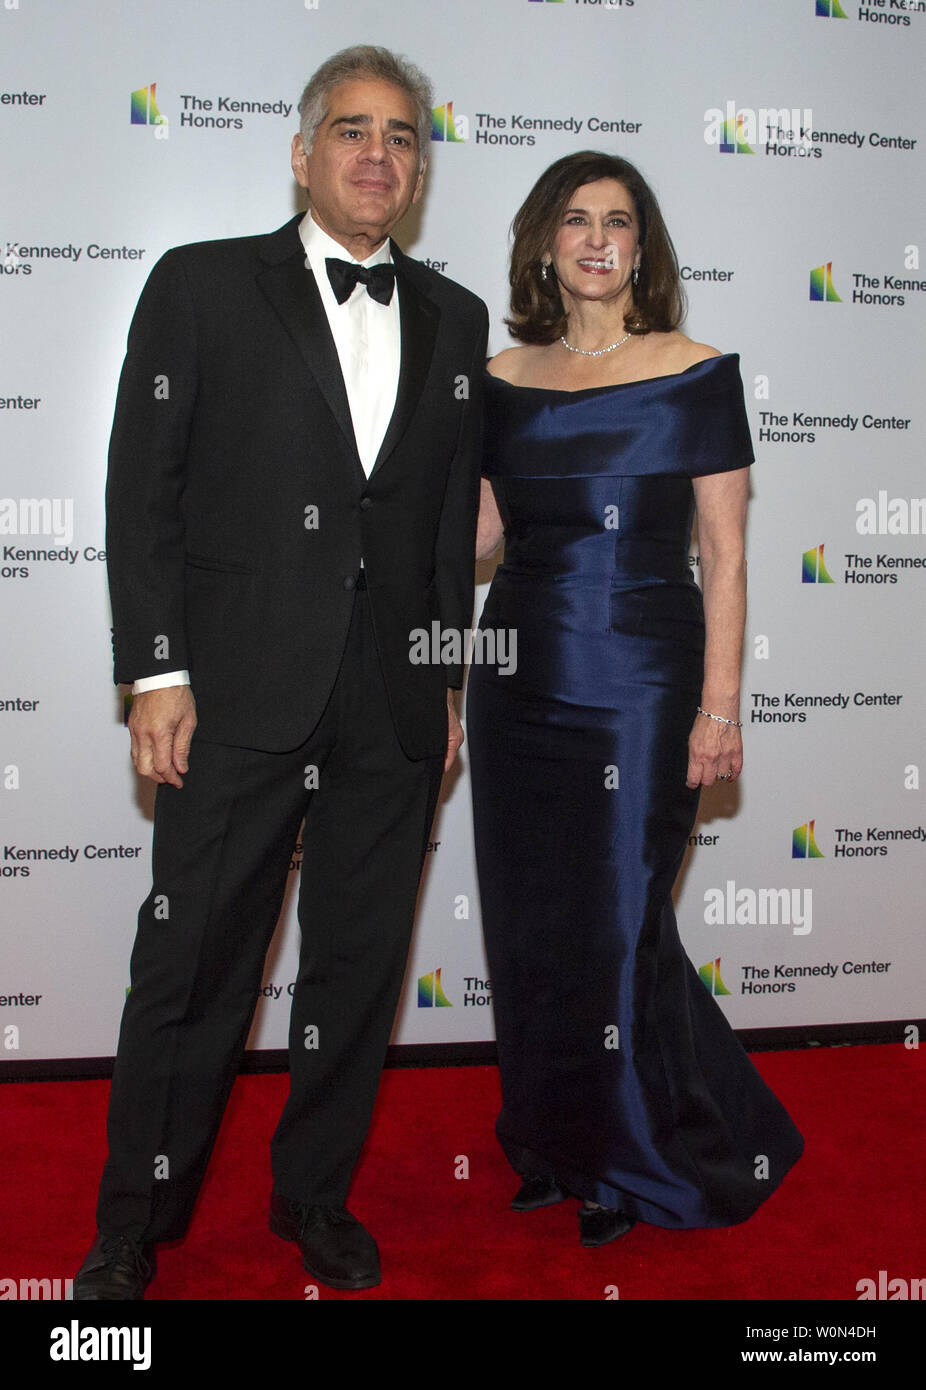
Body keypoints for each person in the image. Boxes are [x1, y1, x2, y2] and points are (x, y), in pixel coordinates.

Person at [74, 45, 488, 1298]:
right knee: (193, 965)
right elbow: (141, 489)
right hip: (237, 691)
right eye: (352, 130)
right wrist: (156, 672)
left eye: (402, 136)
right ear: (301, 151)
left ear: (418, 170)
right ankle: (130, 1230)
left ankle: (311, 1196)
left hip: (390, 704)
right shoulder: (200, 288)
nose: (377, 153)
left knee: (356, 973)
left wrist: (447, 681)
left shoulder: (458, 319)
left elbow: (436, 526)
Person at [467, 151, 802, 1247]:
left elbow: (726, 553)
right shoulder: (499, 377)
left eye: (617, 221)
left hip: (640, 687)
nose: (596, 238)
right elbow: (475, 539)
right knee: (529, 926)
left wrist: (718, 706)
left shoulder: (694, 371)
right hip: (515, 682)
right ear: (543, 245)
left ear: (642, 248)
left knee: (615, 924)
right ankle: (546, 1140)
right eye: (574, 220)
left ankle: (626, 1155)